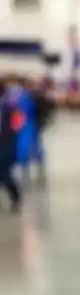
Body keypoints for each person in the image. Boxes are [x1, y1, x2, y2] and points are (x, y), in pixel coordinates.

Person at [0, 80, 21, 211]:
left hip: (5, 142)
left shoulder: (8, 105)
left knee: (4, 172)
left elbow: (18, 120)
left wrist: (12, 132)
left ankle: (15, 196)